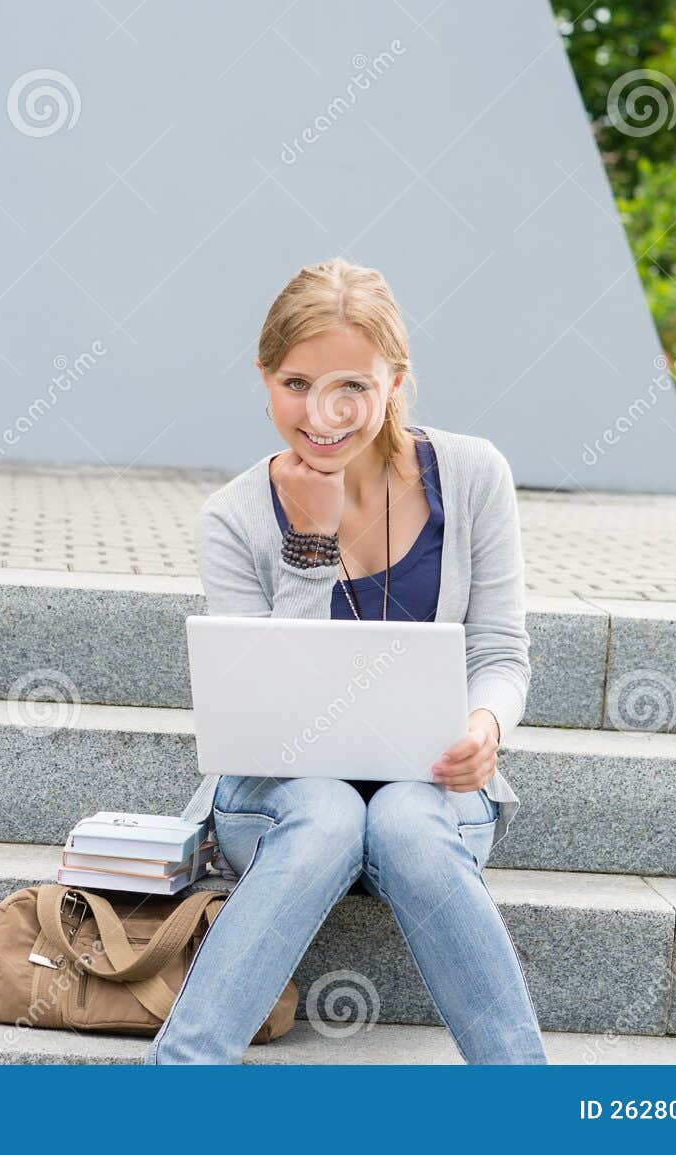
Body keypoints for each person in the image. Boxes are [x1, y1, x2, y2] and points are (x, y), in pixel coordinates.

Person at [144, 256, 546, 1064]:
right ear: (263, 379)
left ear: (396, 382)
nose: (321, 412)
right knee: (328, 808)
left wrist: (484, 723)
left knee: (401, 813)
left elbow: (502, 653)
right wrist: (307, 542)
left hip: (434, 791)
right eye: (296, 383)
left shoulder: (472, 477)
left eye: (352, 387)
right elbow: (267, 710)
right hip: (277, 799)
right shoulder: (232, 516)